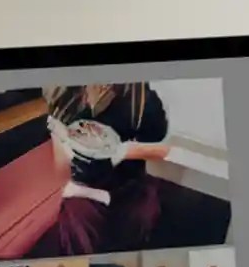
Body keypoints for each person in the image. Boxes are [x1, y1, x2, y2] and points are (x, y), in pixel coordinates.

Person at [37, 83, 173, 256]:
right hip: (83, 187)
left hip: (129, 185)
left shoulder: (141, 99)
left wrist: (121, 153)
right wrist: (67, 152)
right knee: (77, 219)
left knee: (141, 214)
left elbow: (163, 150)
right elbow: (59, 162)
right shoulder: (62, 93)